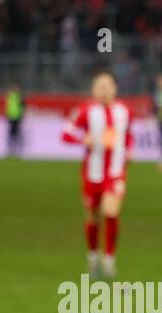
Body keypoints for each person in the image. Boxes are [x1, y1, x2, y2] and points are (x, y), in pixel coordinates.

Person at [62, 70, 133, 278]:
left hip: (115, 172)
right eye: (99, 86)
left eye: (108, 86)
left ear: (115, 88)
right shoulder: (85, 111)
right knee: (92, 216)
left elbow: (128, 135)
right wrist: (82, 140)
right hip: (92, 173)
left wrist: (129, 150)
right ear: (93, 90)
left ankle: (109, 257)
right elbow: (65, 134)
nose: (104, 91)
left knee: (110, 212)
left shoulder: (124, 111)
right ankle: (92, 256)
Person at [5, 84, 24, 158]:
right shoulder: (13, 97)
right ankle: (12, 149)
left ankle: (16, 149)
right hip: (12, 117)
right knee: (13, 134)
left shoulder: (17, 97)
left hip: (16, 117)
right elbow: (8, 107)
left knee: (14, 134)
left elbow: (22, 107)